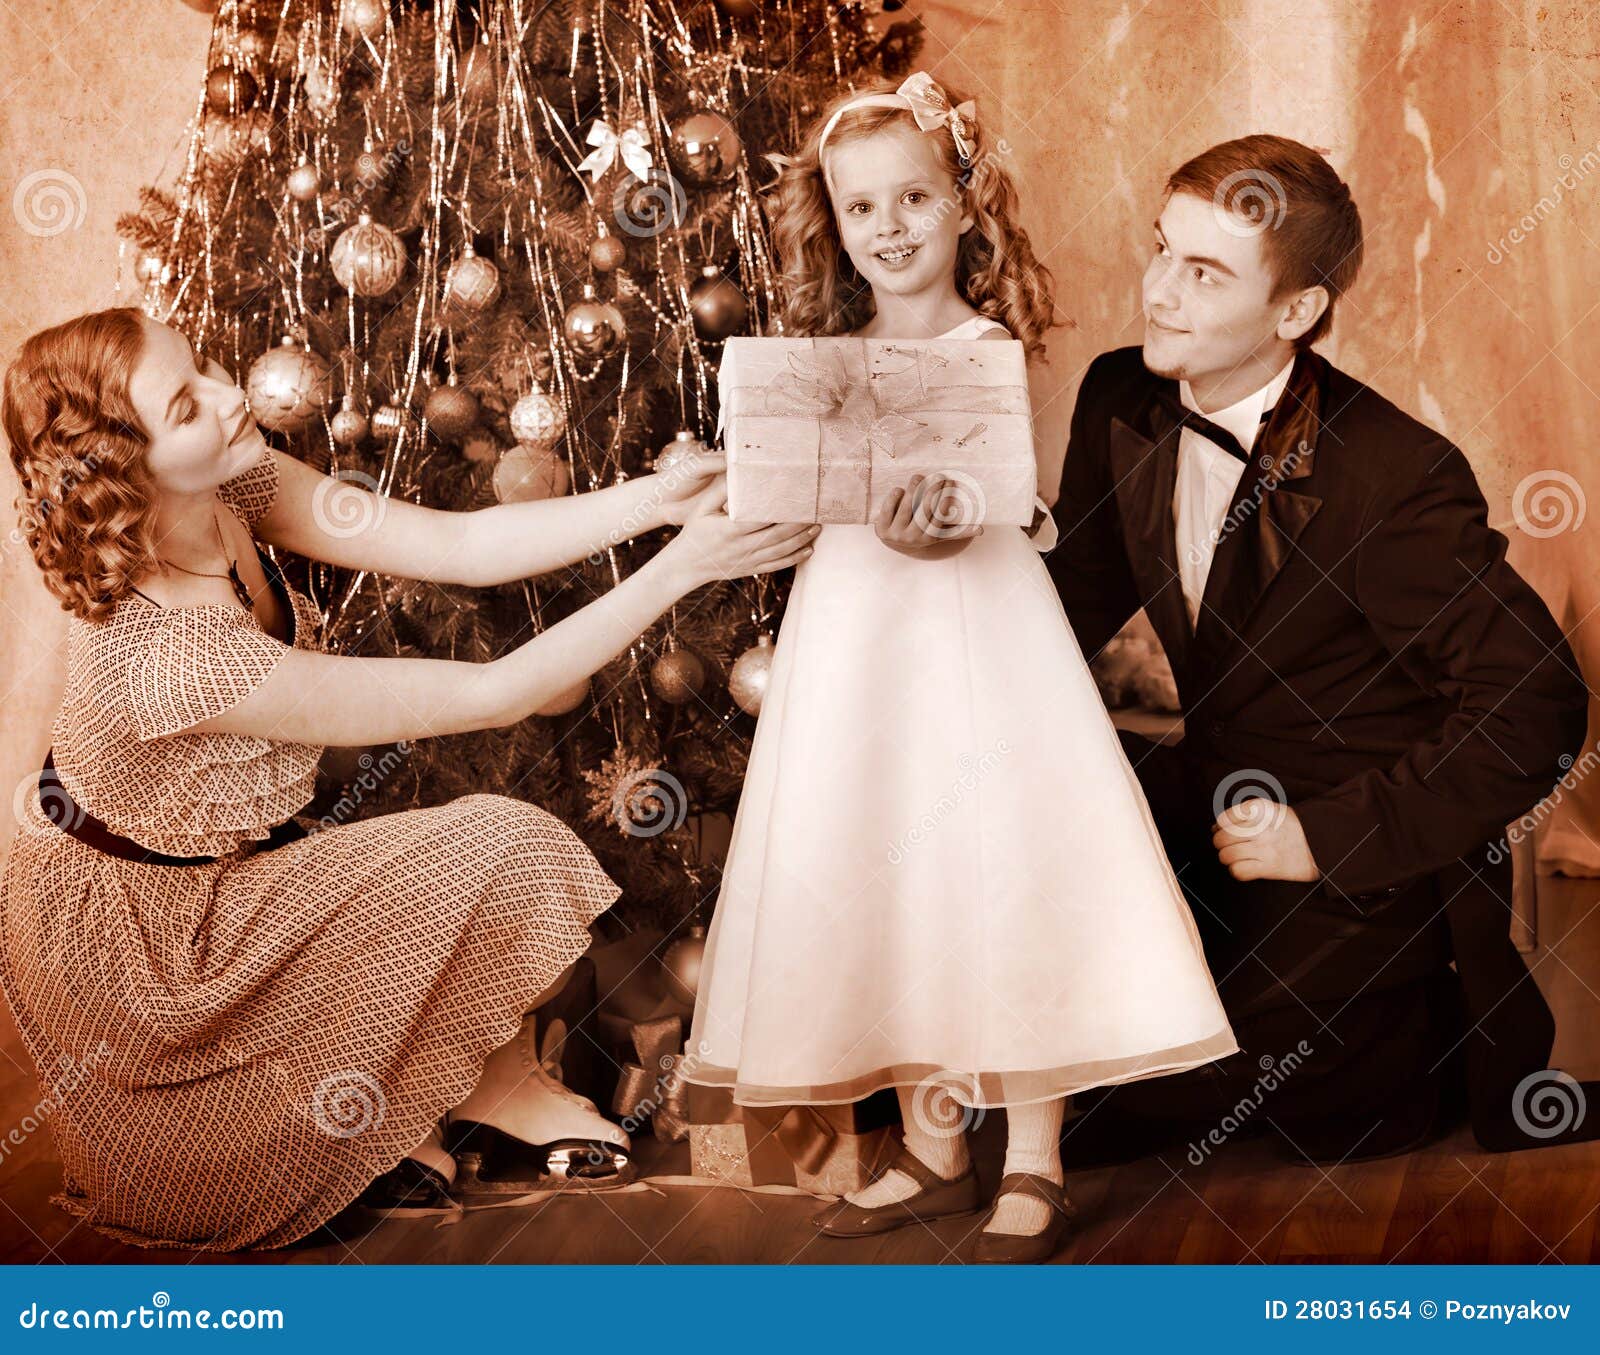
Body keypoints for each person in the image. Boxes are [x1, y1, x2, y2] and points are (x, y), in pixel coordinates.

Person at [0, 306, 818, 1251]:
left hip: (226, 870)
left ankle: (475, 1090)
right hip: (145, 951)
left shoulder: (233, 479)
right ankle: (434, 1102)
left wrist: (656, 500)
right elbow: (503, 691)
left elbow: (455, 546)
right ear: (128, 471)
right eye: (187, 406)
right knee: (494, 846)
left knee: (476, 855)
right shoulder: (171, 654)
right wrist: (684, 566)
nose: (231, 401)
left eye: (210, 370)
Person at [681, 73, 1239, 1265]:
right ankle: (934, 1149)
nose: (888, 227)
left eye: (914, 198)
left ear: (962, 206)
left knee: (999, 863)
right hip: (853, 634)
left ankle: (1034, 1160)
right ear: (834, 221)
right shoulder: (825, 361)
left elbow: (993, 499)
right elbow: (807, 493)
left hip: (975, 632)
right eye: (860, 205)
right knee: (894, 865)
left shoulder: (982, 346)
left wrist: (943, 517)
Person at [1046, 134, 1596, 1168]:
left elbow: (1537, 703)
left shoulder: (1392, 476)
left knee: (1157, 1104)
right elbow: (1065, 603)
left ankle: (1415, 1034)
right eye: (1159, 249)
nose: (1157, 291)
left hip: (1345, 871)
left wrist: (1328, 835)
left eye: (1203, 272)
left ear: (1293, 312)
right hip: (1203, 816)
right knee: (1006, 1078)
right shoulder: (1120, 395)